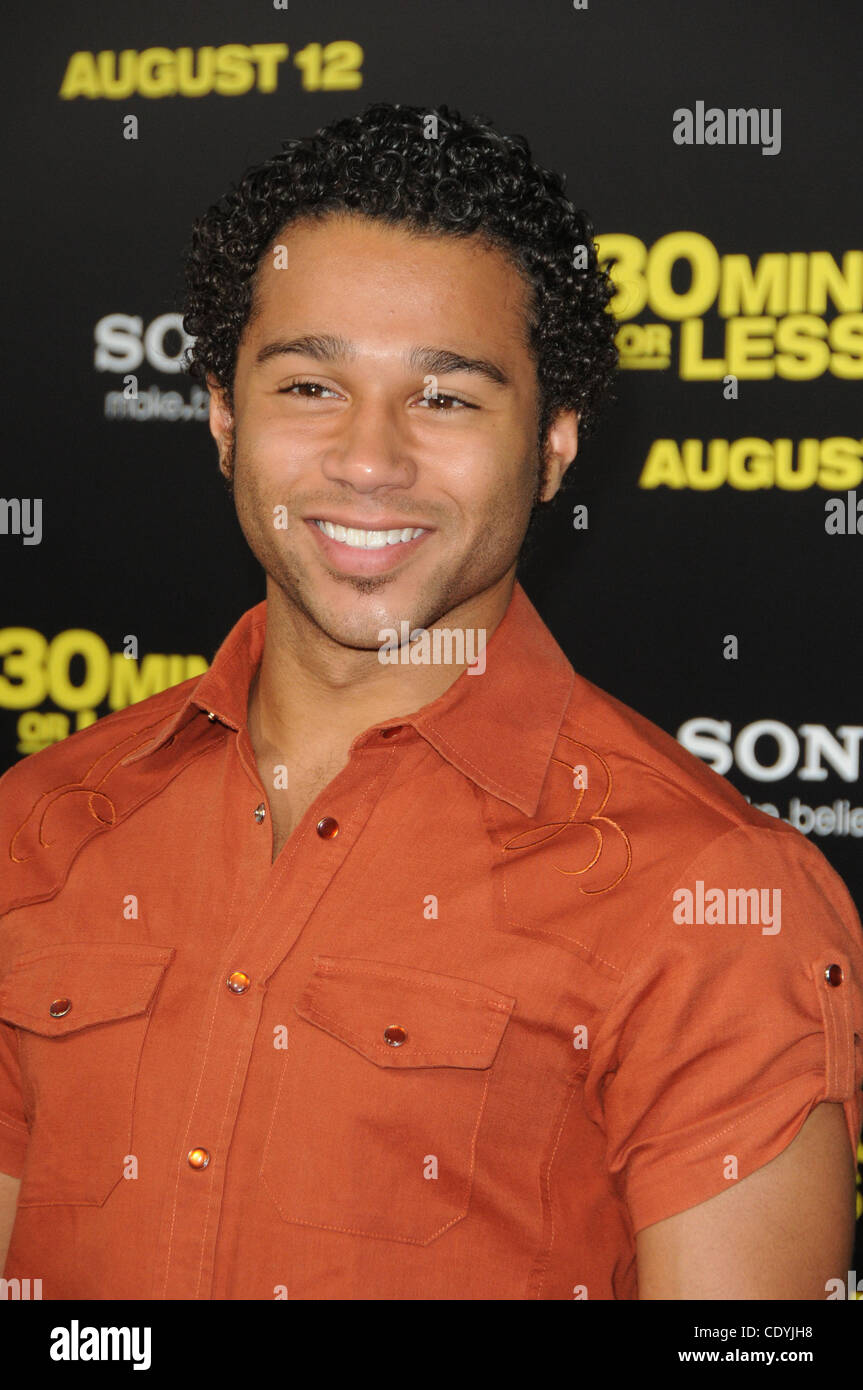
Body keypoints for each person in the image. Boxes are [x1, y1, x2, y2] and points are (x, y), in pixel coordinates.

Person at [0, 102, 860, 1301]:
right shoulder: (38, 820)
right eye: (308, 385)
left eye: (446, 398)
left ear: (554, 444)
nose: (368, 457)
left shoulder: (709, 895)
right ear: (220, 413)